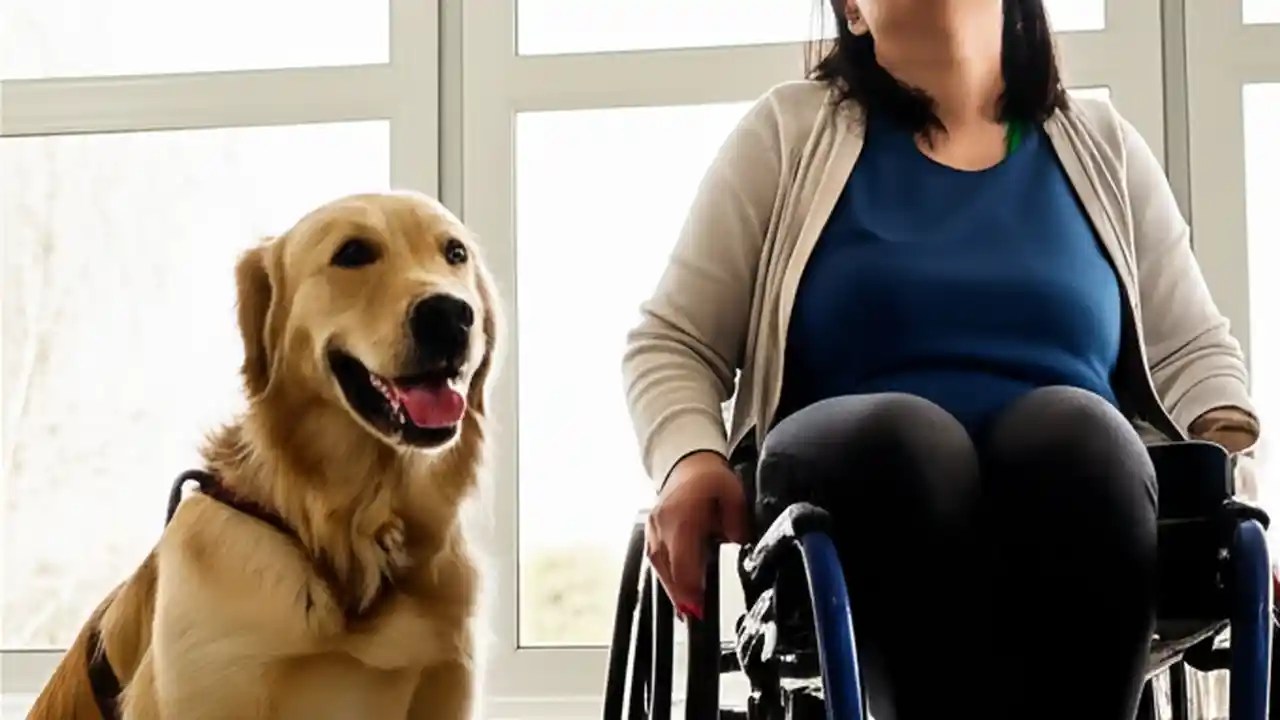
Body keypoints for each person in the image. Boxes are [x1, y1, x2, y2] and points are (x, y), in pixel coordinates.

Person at [621, 0, 1262, 718]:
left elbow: (1197, 354)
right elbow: (673, 340)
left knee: (1081, 434)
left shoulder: (1101, 146)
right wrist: (691, 459)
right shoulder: (789, 133)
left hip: (1073, 489)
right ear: (853, 15)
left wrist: (1238, 486)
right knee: (910, 441)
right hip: (854, 479)